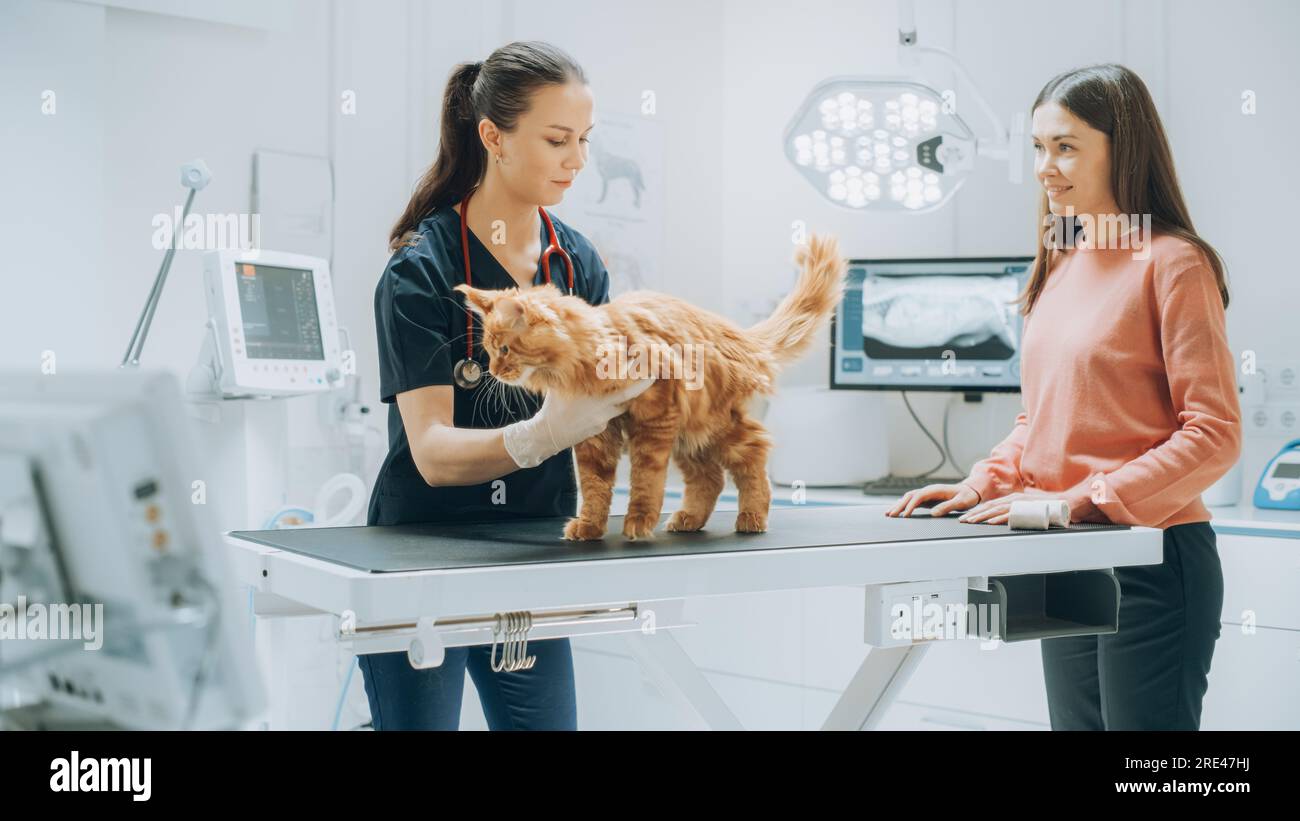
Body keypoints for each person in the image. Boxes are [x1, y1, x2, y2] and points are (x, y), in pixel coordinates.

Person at [886, 64, 1242, 730]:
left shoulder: (1174, 263)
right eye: (1037, 148)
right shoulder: (1059, 258)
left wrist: (1079, 499)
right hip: (1066, 556)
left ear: (1123, 149)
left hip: (1152, 561)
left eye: (1067, 146)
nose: (1045, 167)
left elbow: (1215, 433)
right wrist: (984, 480)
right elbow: (1040, 419)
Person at [360, 41, 652, 731]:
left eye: (583, 140)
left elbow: (609, 400)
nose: (577, 161)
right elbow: (430, 453)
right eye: (557, 140)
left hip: (533, 547)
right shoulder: (421, 271)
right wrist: (544, 433)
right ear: (493, 136)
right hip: (421, 552)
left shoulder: (576, 263)